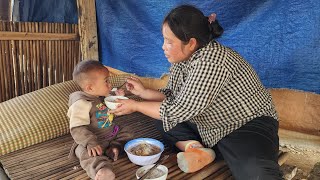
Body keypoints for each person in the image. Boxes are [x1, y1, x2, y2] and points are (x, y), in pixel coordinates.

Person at [109, 4, 282, 180]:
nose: (163, 47)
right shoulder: (182, 59)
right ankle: (198, 150)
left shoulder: (211, 62)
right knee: (160, 118)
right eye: (164, 40)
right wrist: (144, 92)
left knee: (256, 172)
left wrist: (135, 105)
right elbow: (173, 97)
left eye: (169, 42)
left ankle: (210, 152)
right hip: (208, 125)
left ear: (191, 43)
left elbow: (176, 110)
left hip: (244, 125)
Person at [67, 60, 133, 180]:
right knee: (85, 154)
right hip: (92, 141)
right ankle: (102, 169)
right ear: (90, 88)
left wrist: (117, 96)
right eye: (106, 81)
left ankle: (114, 148)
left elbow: (108, 105)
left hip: (110, 133)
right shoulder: (81, 103)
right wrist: (90, 142)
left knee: (127, 131)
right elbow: (77, 128)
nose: (110, 84)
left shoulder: (100, 95)